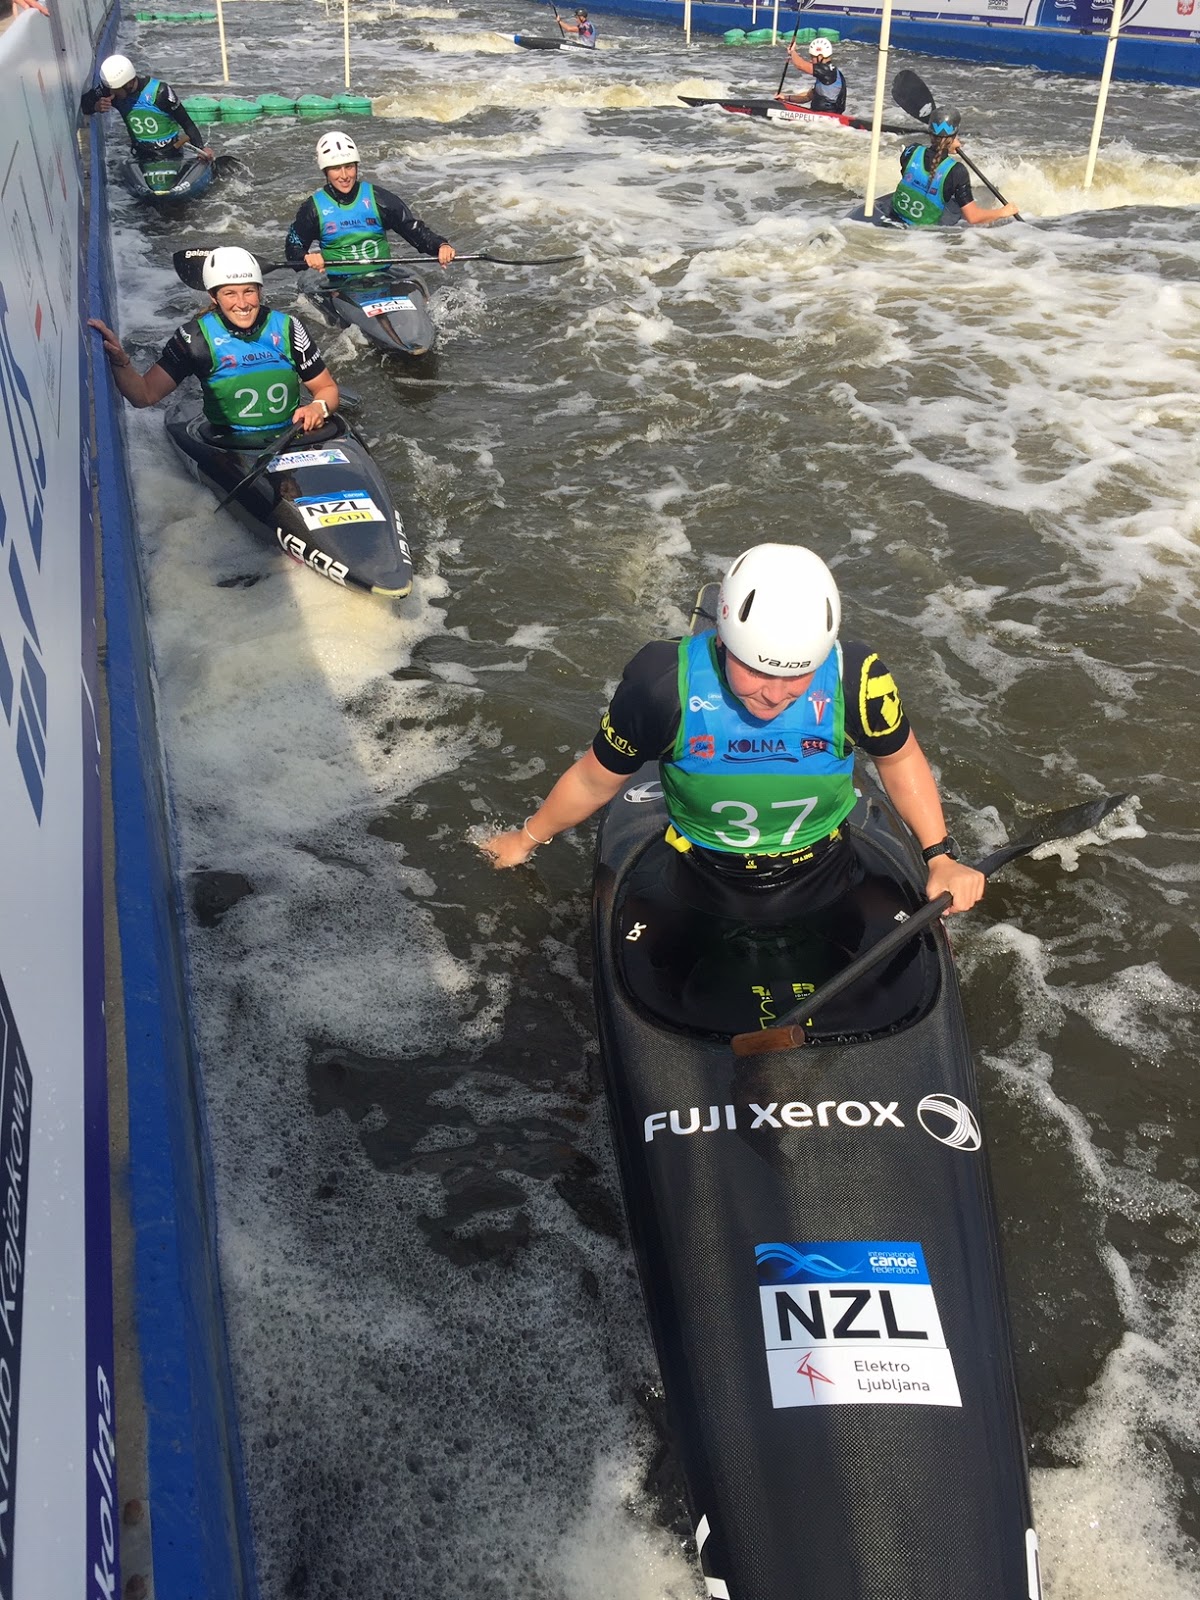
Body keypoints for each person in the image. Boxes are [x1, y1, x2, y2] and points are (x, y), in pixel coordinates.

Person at [481, 543, 985, 923]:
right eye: (757, 671)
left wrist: (940, 857)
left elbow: (899, 760)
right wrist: (525, 840)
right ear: (721, 638)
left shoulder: (858, 676)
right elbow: (595, 780)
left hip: (828, 867)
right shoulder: (663, 685)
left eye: (797, 674)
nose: (775, 693)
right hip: (702, 874)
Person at [87, 246, 338, 441]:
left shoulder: (288, 327)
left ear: (259, 291)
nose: (242, 303)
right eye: (230, 293)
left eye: (249, 291)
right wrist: (120, 361)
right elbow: (144, 395)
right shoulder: (194, 339)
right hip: (231, 445)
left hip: (289, 437)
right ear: (213, 297)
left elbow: (327, 389)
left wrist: (318, 408)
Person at [285, 132, 456, 278]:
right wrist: (306, 257)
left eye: (349, 167)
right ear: (326, 172)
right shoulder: (313, 208)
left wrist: (441, 245)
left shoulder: (379, 199)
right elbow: (293, 247)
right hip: (339, 284)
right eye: (336, 168)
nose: (344, 175)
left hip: (382, 276)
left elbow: (413, 230)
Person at [889, 105, 1018, 228]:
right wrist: (1003, 212)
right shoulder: (956, 171)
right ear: (954, 136)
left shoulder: (911, 150)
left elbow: (916, 177)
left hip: (894, 216)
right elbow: (973, 218)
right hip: (921, 234)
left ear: (930, 133)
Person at [80, 54, 213, 166]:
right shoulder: (110, 90)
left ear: (129, 84)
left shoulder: (161, 92)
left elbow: (186, 123)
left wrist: (201, 148)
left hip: (172, 155)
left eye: (115, 90)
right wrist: (95, 107)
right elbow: (84, 103)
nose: (111, 93)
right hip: (141, 157)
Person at [779, 37, 845, 114]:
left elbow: (800, 65)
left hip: (829, 117)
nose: (811, 60)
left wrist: (792, 52)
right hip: (820, 116)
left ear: (820, 56)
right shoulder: (826, 75)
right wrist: (785, 98)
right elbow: (806, 97)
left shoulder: (827, 70)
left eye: (812, 57)